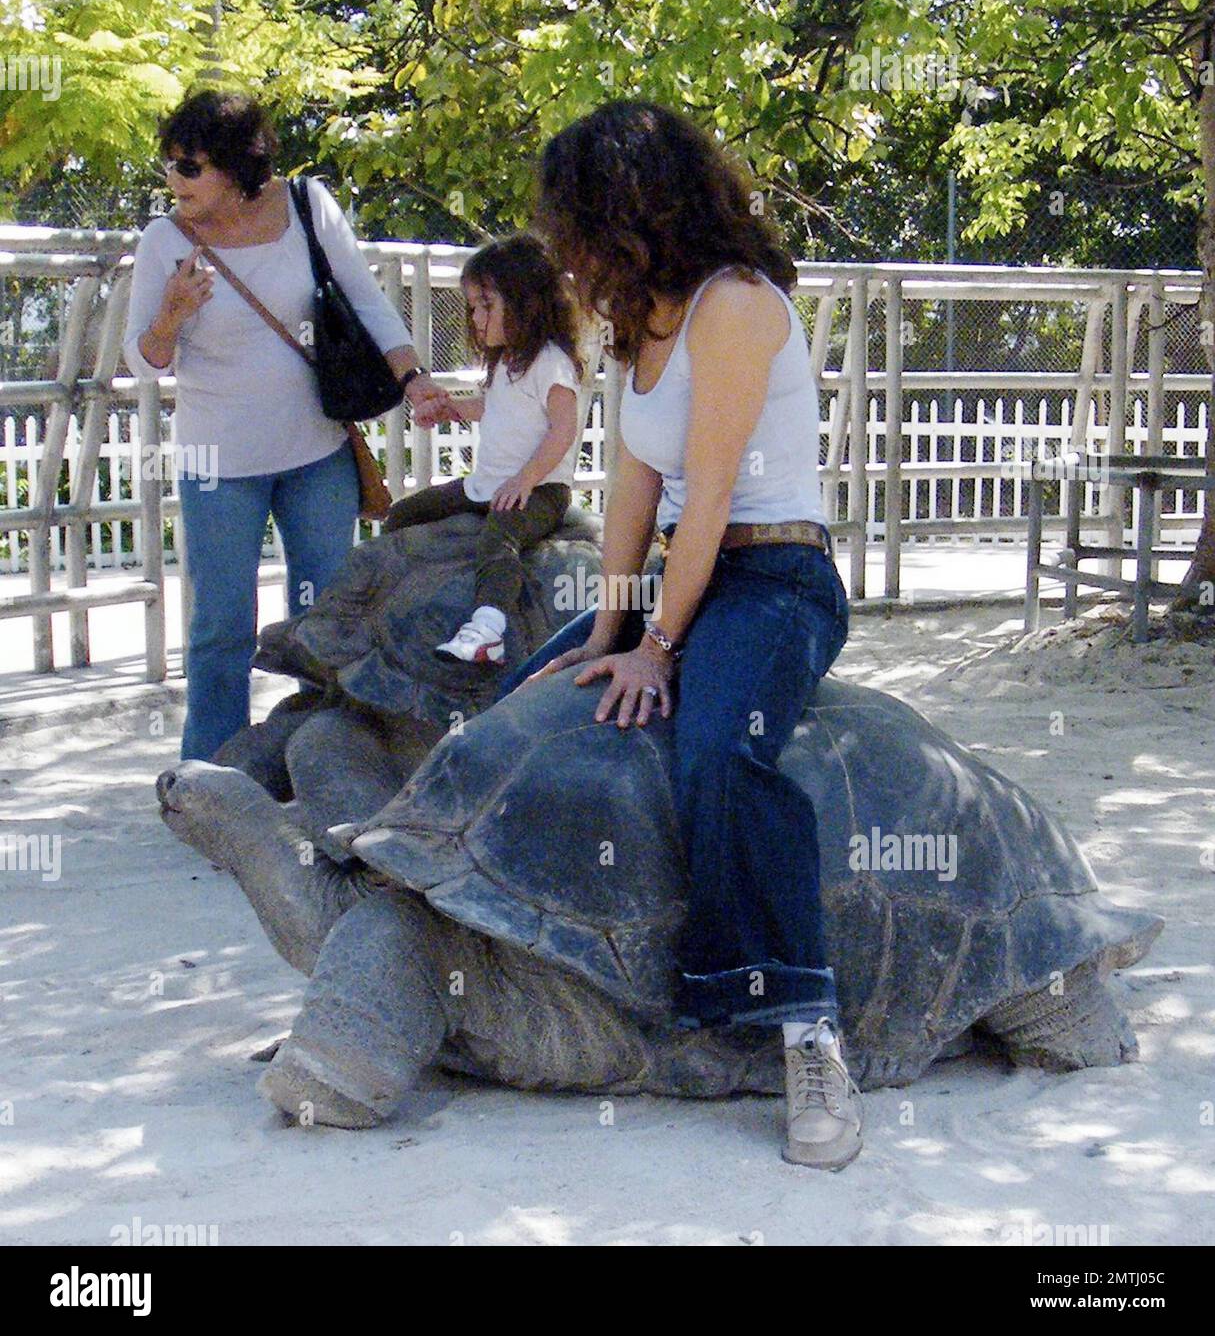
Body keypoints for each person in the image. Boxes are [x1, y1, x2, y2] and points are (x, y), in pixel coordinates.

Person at [497, 100, 862, 1170]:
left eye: (573, 221)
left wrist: (661, 645)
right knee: (530, 689)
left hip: (775, 574)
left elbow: (707, 505)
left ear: (629, 209)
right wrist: (606, 628)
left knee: (718, 750)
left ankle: (807, 1030)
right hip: (688, 573)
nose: (561, 248)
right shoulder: (641, 324)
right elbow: (633, 496)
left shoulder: (736, 305)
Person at [122, 90, 446, 761]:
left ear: (239, 169)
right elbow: (145, 361)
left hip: (316, 452)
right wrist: (171, 314)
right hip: (219, 464)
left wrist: (414, 378)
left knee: (327, 614)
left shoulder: (306, 207)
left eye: (189, 166)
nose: (173, 180)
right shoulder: (164, 239)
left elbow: (365, 299)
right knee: (221, 626)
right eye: (169, 165)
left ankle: (326, 756)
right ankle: (210, 771)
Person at [383, 233, 582, 665]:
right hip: (487, 485)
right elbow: (494, 408)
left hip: (540, 490)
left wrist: (527, 478)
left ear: (526, 302)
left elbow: (564, 428)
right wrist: (452, 409)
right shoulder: (505, 361)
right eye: (472, 306)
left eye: (485, 305)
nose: (475, 317)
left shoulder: (550, 361)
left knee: (500, 538)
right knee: (403, 515)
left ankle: (488, 627)